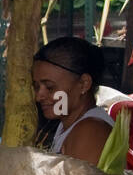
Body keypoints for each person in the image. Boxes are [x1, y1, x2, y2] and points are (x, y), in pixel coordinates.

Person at [31, 36, 114, 165]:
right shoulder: (66, 124)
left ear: (84, 84)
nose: (38, 96)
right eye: (37, 86)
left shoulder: (90, 132)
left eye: (50, 87)